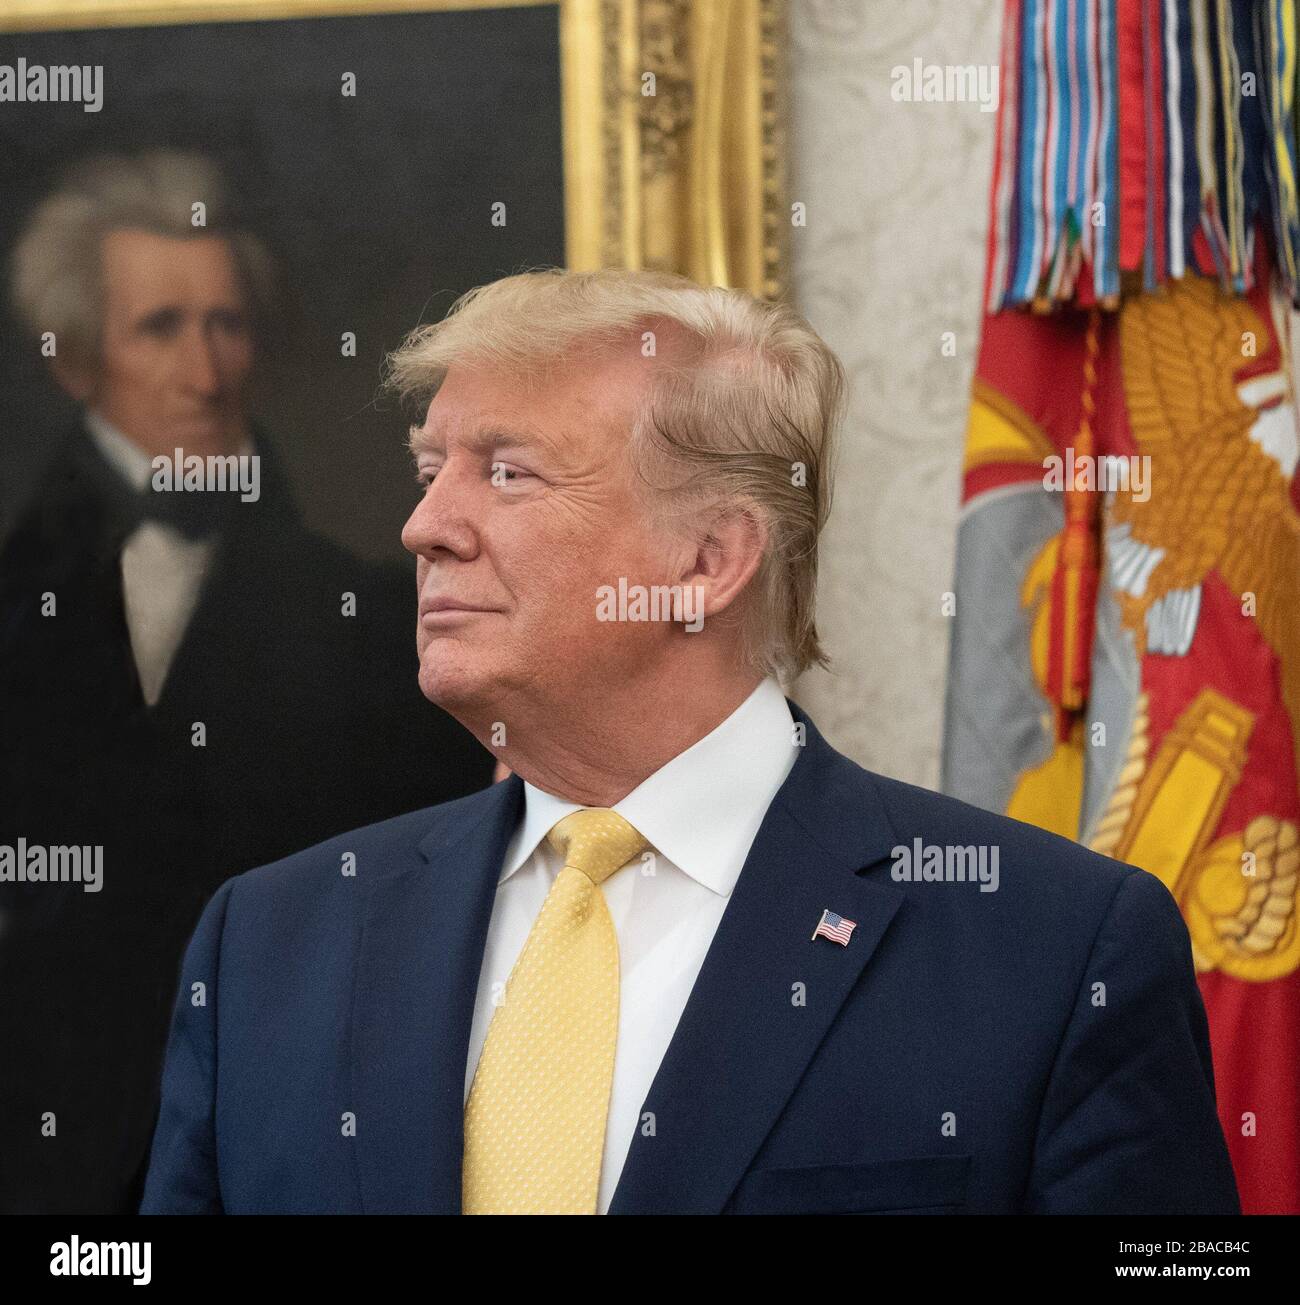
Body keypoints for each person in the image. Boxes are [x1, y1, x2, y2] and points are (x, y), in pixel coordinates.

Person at [140, 268, 1239, 1215]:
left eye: (506, 471)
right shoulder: (271, 945)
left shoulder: (1050, 951)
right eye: (433, 469)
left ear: (708, 561)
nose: (424, 526)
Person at [0, 150, 492, 1215]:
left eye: (226, 323)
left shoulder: (369, 616)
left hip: (291, 1144)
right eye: (160, 327)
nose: (206, 368)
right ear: (77, 360)